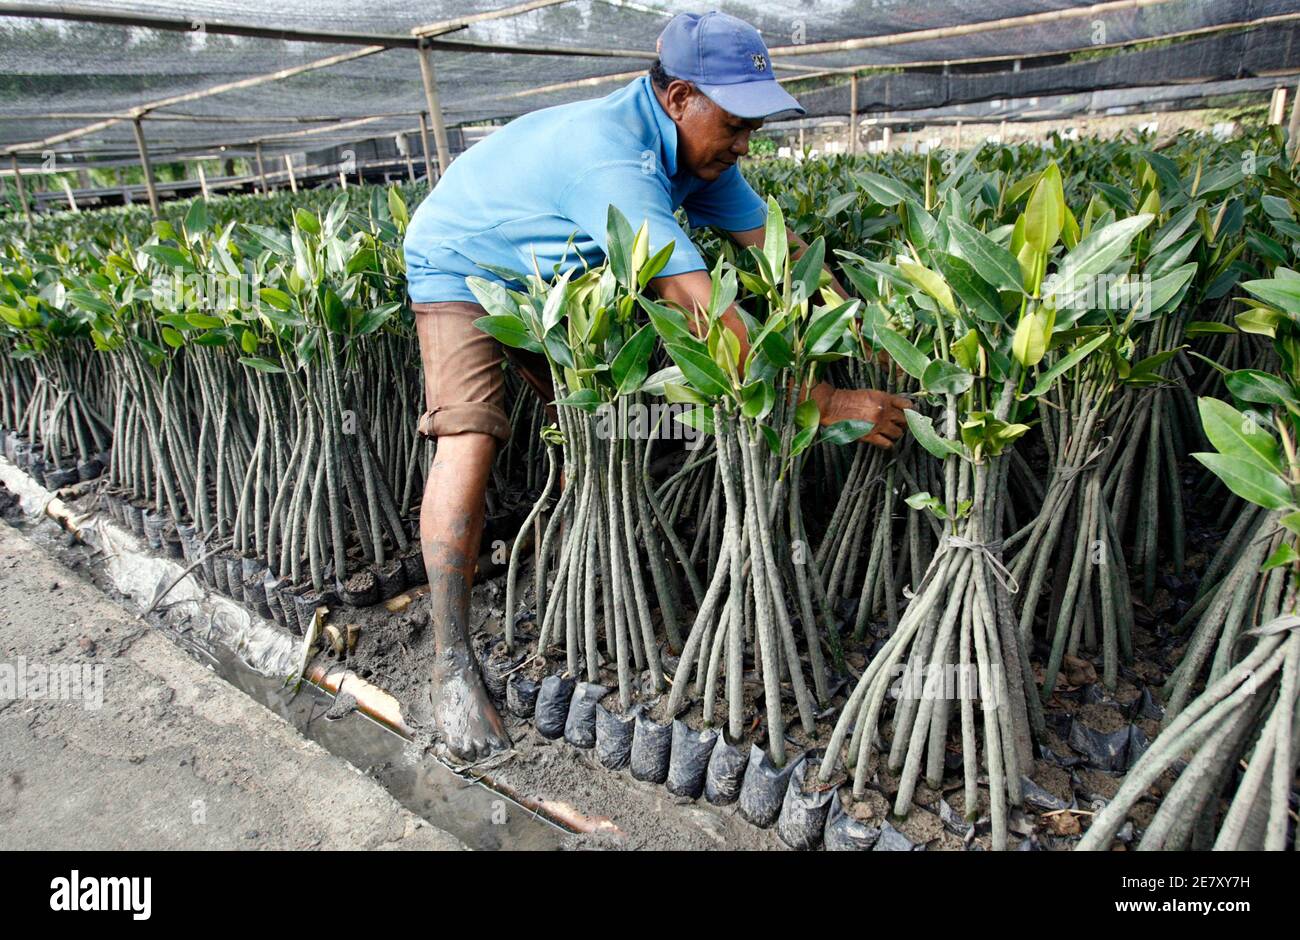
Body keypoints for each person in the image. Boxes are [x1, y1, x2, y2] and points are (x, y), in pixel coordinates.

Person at [402, 10, 912, 760]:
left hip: (551, 279)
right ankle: (449, 665)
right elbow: (701, 310)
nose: (744, 144)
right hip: (461, 262)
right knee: (471, 433)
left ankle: (574, 555)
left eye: (753, 128)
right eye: (736, 124)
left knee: (601, 420)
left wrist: (871, 341)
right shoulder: (616, 163)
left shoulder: (696, 159)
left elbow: (784, 257)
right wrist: (822, 403)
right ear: (679, 98)